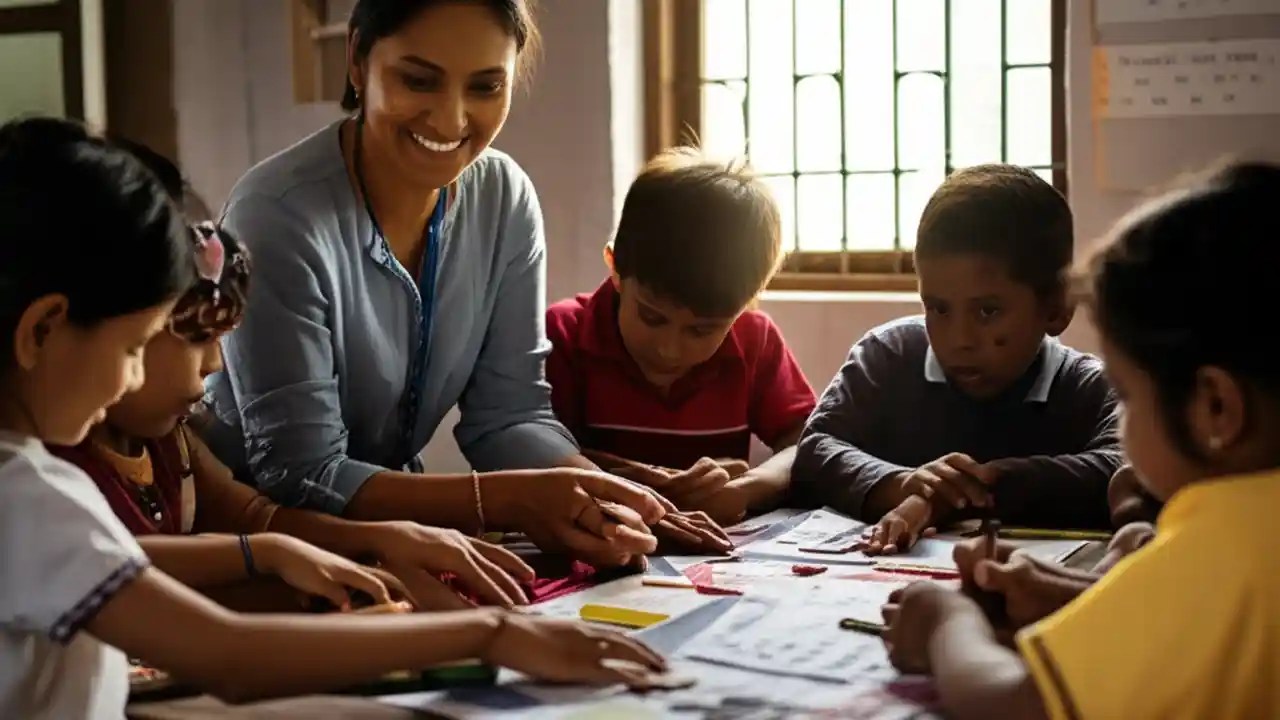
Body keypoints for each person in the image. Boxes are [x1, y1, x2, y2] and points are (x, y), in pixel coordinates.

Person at [0, 116, 669, 720]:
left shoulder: (24, 487)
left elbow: (114, 558)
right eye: (131, 349)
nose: (138, 376)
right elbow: (228, 657)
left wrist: (271, 548)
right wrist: (492, 633)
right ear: (44, 329)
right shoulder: (30, 494)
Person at [199, 0, 724, 565]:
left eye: (485, 87)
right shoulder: (275, 216)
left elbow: (511, 414)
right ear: (357, 60)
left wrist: (601, 496)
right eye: (418, 80)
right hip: (248, 537)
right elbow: (300, 471)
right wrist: (504, 500)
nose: (451, 120)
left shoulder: (504, 199)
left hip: (395, 535)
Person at [879, 161, 1280, 720]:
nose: (1120, 423)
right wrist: (1075, 590)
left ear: (1216, 408)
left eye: (1127, 394)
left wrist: (949, 623)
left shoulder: (1226, 544)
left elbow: (1015, 703)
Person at [53, 216, 531, 612]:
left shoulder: (170, 441)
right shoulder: (46, 463)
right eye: (198, 338)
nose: (216, 364)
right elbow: (125, 580)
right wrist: (277, 565)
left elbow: (258, 517)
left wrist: (381, 541)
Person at [793, 165, 1124, 552]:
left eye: (987, 312)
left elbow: (1125, 468)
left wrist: (960, 492)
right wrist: (902, 484)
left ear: (1057, 307)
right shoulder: (888, 357)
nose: (959, 339)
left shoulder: (1089, 388)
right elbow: (817, 449)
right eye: (938, 308)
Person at [546, 148, 815, 526]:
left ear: (745, 305)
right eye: (652, 317)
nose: (669, 349)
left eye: (702, 330)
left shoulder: (754, 339)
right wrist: (637, 479)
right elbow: (540, 454)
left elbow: (808, 443)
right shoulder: (565, 334)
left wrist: (746, 488)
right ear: (615, 267)